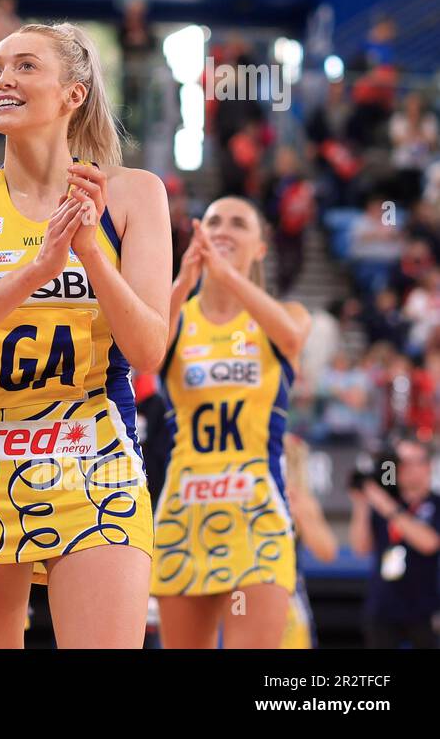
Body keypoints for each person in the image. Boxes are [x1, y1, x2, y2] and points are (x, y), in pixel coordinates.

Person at [0, 22, 172, 648]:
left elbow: (147, 350)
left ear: (73, 93)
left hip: (94, 453)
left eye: (24, 67)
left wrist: (91, 255)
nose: (2, 80)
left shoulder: (133, 193)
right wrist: (39, 270)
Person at [152, 198, 312, 648]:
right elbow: (144, 352)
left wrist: (228, 279)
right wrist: (184, 280)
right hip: (184, 512)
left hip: (257, 513)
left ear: (261, 248)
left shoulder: (287, 315)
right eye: (215, 220)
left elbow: (292, 337)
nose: (223, 229)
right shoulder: (179, 317)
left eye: (239, 223)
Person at [350, 437, 440, 648]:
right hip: (382, 607)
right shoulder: (385, 503)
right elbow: (360, 548)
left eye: (410, 462)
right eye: (397, 463)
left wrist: (386, 505)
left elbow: (429, 543)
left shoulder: (434, 504)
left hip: (425, 608)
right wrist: (361, 504)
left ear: (427, 466)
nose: (403, 469)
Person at [280, 433, 337, 648]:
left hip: (287, 595)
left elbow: (327, 552)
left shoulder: (298, 498)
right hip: (239, 592)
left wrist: (300, 512)